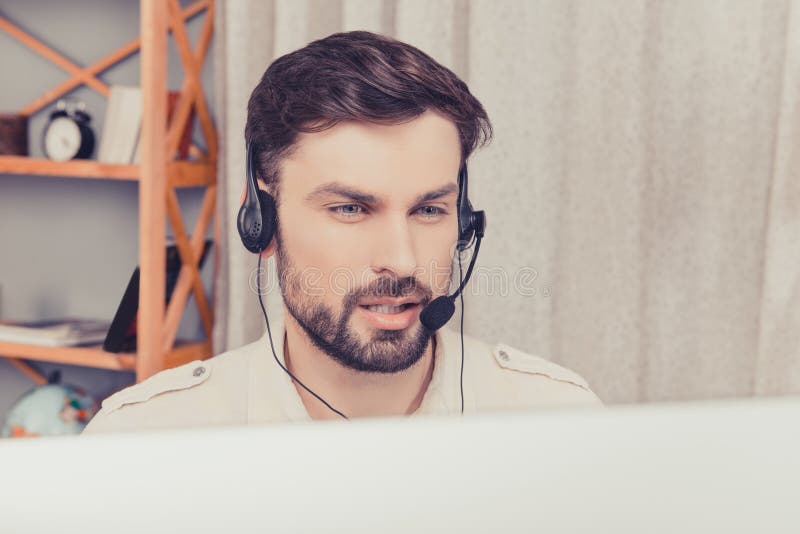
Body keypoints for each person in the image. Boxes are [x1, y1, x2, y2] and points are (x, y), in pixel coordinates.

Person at [83, 31, 601, 434]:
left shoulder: (560, 418)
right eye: (351, 209)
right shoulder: (144, 439)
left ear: (464, 223)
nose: (401, 262)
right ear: (260, 221)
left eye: (429, 210)